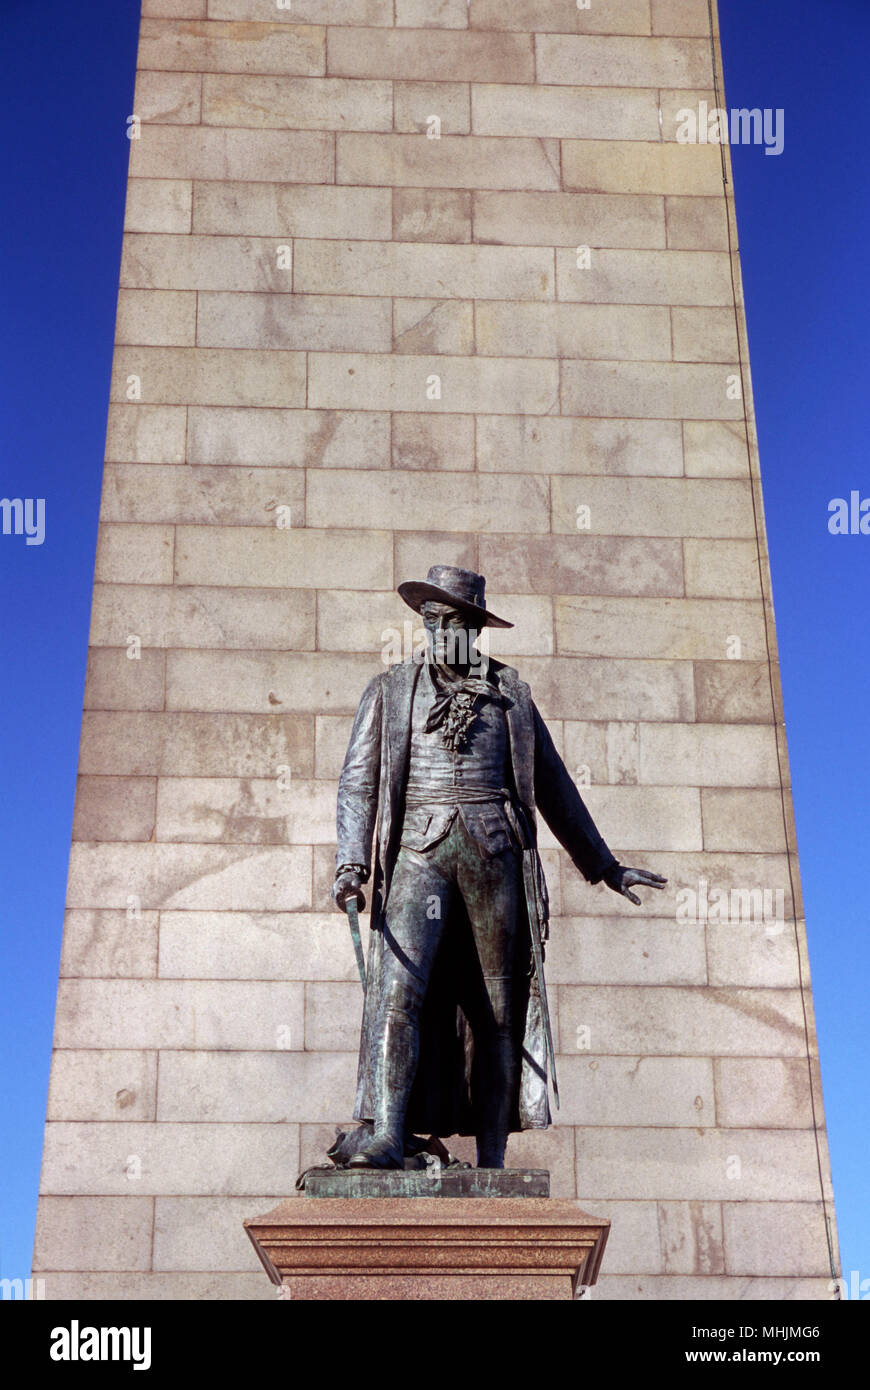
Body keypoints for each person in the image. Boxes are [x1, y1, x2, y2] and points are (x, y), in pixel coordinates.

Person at [333, 565, 666, 1169]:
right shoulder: (389, 690)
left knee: (499, 1009)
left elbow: (554, 787)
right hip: (417, 854)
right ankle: (387, 1129)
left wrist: (606, 866)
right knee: (399, 992)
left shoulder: (512, 694)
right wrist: (351, 864)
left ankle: (493, 1159)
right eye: (432, 622)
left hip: (496, 855)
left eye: (454, 623)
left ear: (476, 631)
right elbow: (358, 783)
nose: (440, 633)